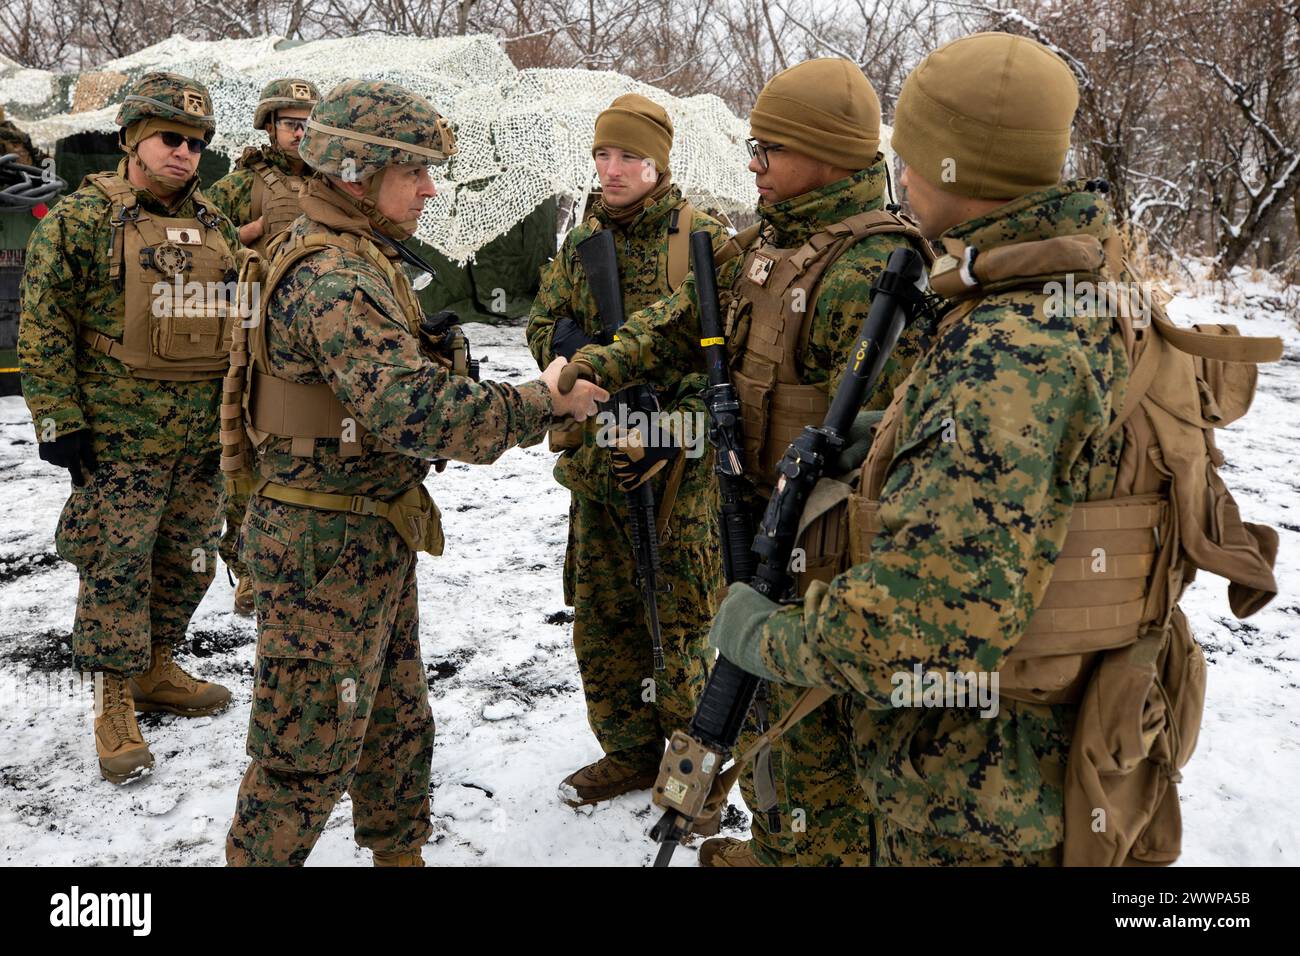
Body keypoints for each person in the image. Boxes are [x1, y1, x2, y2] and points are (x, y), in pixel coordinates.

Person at [707, 31, 1280, 866]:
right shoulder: (1092, 288)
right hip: (1086, 746)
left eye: (910, 153)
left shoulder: (1010, 349)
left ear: (955, 168)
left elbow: (922, 627)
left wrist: (762, 636)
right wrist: (894, 444)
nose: (898, 173)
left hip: (983, 797)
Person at [223, 79, 607, 866]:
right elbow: (420, 414)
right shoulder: (334, 276)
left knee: (394, 719)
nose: (433, 188)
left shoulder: (362, 255)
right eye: (417, 172)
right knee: (303, 755)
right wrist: (547, 399)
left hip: (367, 529)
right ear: (360, 171)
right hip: (321, 547)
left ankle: (401, 854)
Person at [563, 60, 934, 866]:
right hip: (753, 518)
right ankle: (775, 844)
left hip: (823, 549)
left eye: (767, 148)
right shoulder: (768, 242)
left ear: (828, 156)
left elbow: (889, 446)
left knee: (814, 737)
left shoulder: (870, 273)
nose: (752, 164)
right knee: (755, 709)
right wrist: (595, 365)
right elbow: (674, 322)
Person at [19, 72, 239, 784]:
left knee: (192, 558)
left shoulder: (218, 227)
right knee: (116, 570)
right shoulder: (85, 218)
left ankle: (157, 666)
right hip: (119, 436)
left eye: (197, 142)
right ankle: (113, 701)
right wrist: (59, 418)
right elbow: (44, 319)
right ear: (132, 140)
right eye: (170, 138)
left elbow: (242, 324)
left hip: (201, 437)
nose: (185, 153)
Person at [526, 94, 728, 813]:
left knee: (683, 631)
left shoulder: (702, 240)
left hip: (678, 476)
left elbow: (728, 373)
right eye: (602, 156)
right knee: (603, 621)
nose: (612, 171)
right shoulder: (581, 243)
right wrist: (574, 356)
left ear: (660, 163)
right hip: (598, 468)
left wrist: (668, 429)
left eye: (629, 157)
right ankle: (629, 752)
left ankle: (692, 786)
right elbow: (543, 321)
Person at [206, 77, 320, 615]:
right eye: (291, 123)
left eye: (308, 122)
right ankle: (247, 565)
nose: (301, 133)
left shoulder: (334, 181)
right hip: (253, 336)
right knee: (246, 447)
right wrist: (246, 235)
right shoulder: (241, 184)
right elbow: (200, 250)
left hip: (314, 337)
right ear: (270, 127)